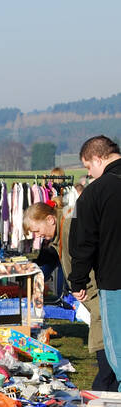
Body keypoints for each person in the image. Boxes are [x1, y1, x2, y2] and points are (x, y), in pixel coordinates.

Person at [68, 135, 121, 388]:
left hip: (114, 280)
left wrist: (77, 280)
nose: (89, 174)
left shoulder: (92, 195)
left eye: (88, 167)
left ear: (98, 159)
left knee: (118, 352)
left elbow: (81, 242)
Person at [59, 177, 113, 390]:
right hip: (100, 287)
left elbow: (83, 249)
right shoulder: (71, 219)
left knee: (105, 346)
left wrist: (78, 282)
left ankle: (103, 390)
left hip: (101, 288)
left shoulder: (73, 220)